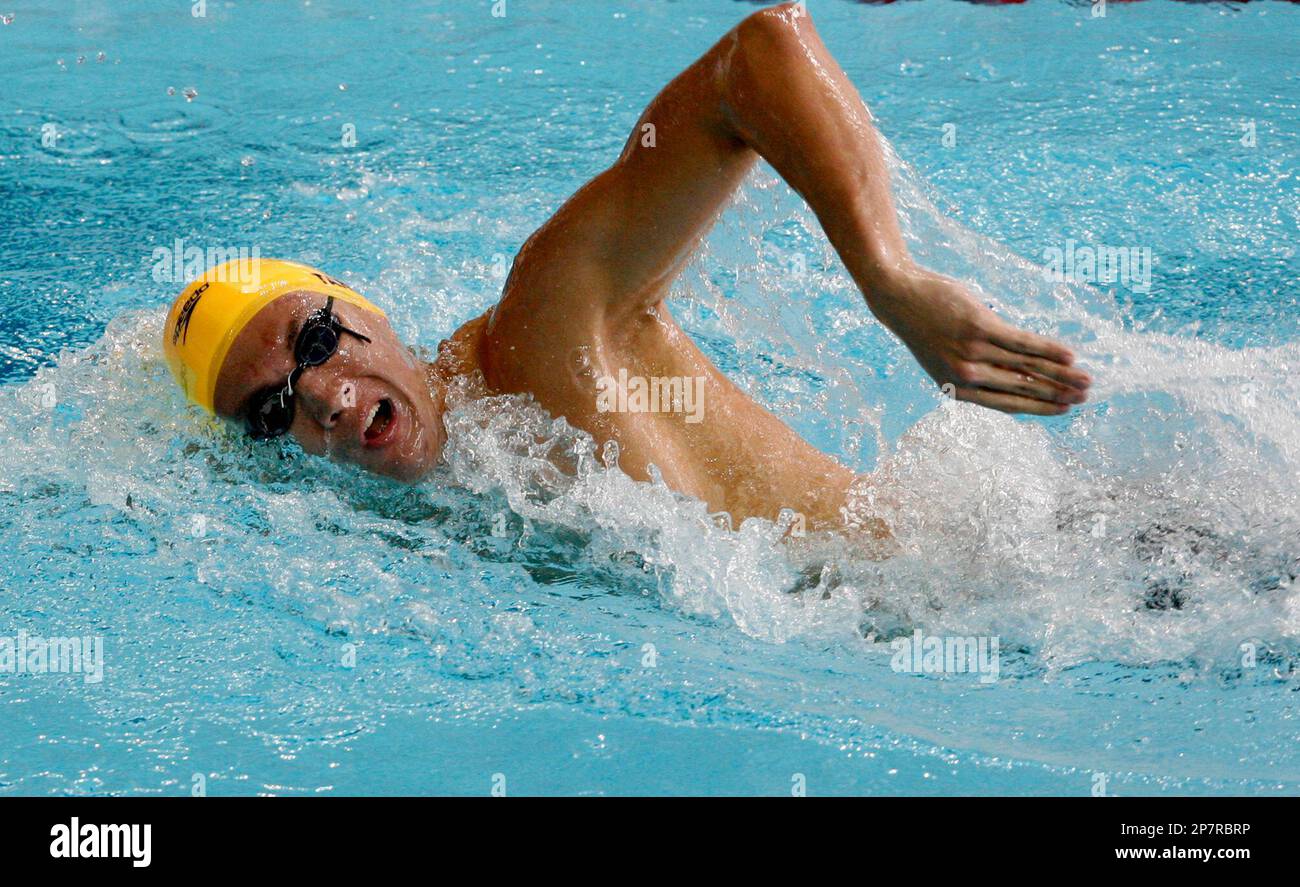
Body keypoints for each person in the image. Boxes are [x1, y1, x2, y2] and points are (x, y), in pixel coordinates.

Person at [163, 2, 1090, 535]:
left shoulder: (542, 330)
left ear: (373, 314)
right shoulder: (427, 506)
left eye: (317, 337)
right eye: (274, 409)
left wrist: (892, 282)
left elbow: (757, 55)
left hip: (1054, 576)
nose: (322, 395)